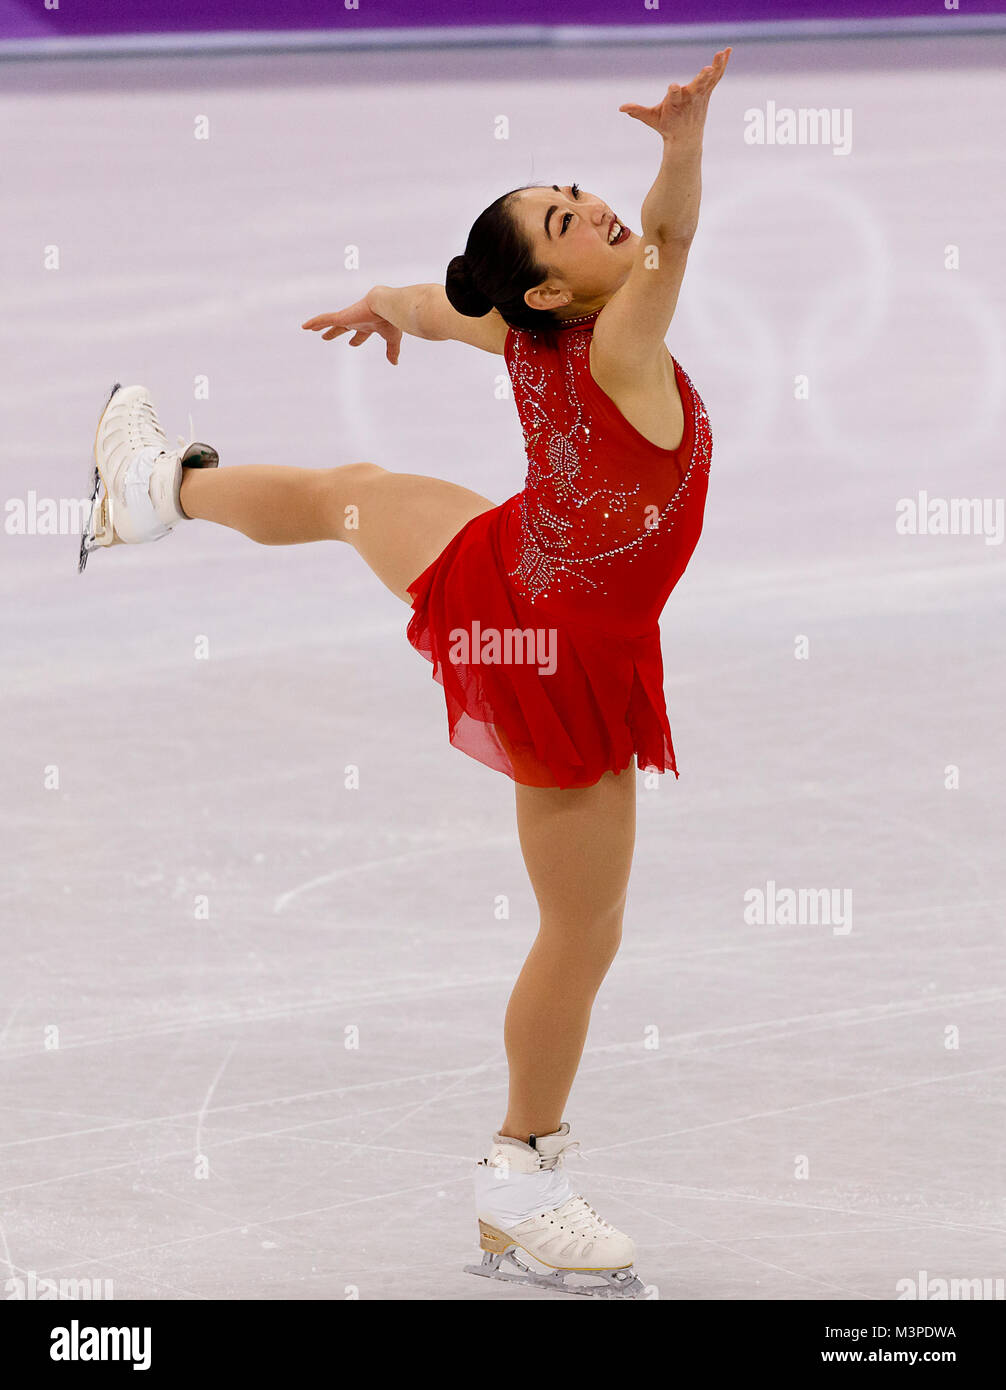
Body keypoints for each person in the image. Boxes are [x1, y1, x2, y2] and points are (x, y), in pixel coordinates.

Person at [80, 48, 731, 1298]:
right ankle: (520, 1183)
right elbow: (671, 239)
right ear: (550, 286)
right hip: (554, 651)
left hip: (512, 563)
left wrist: (387, 299)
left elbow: (450, 308)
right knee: (581, 928)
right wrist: (682, 146)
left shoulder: (527, 326)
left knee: (352, 497)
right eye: (563, 218)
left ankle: (151, 490)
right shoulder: (620, 346)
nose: (591, 210)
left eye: (573, 192)